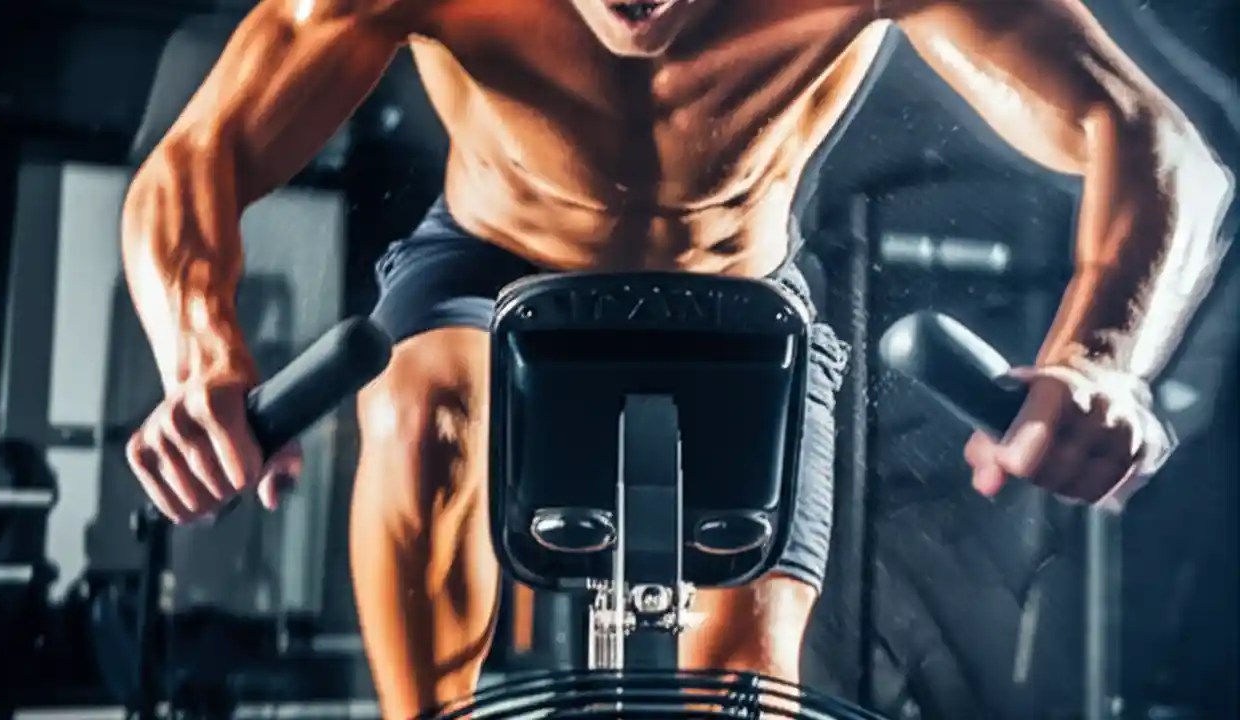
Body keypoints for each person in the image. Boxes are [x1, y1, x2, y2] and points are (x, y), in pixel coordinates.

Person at [119, 0, 1234, 716]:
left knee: (743, 684)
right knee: (419, 417)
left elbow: (1151, 139)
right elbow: (198, 158)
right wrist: (200, 356)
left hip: (738, 289)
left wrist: (1101, 357)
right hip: (489, 265)